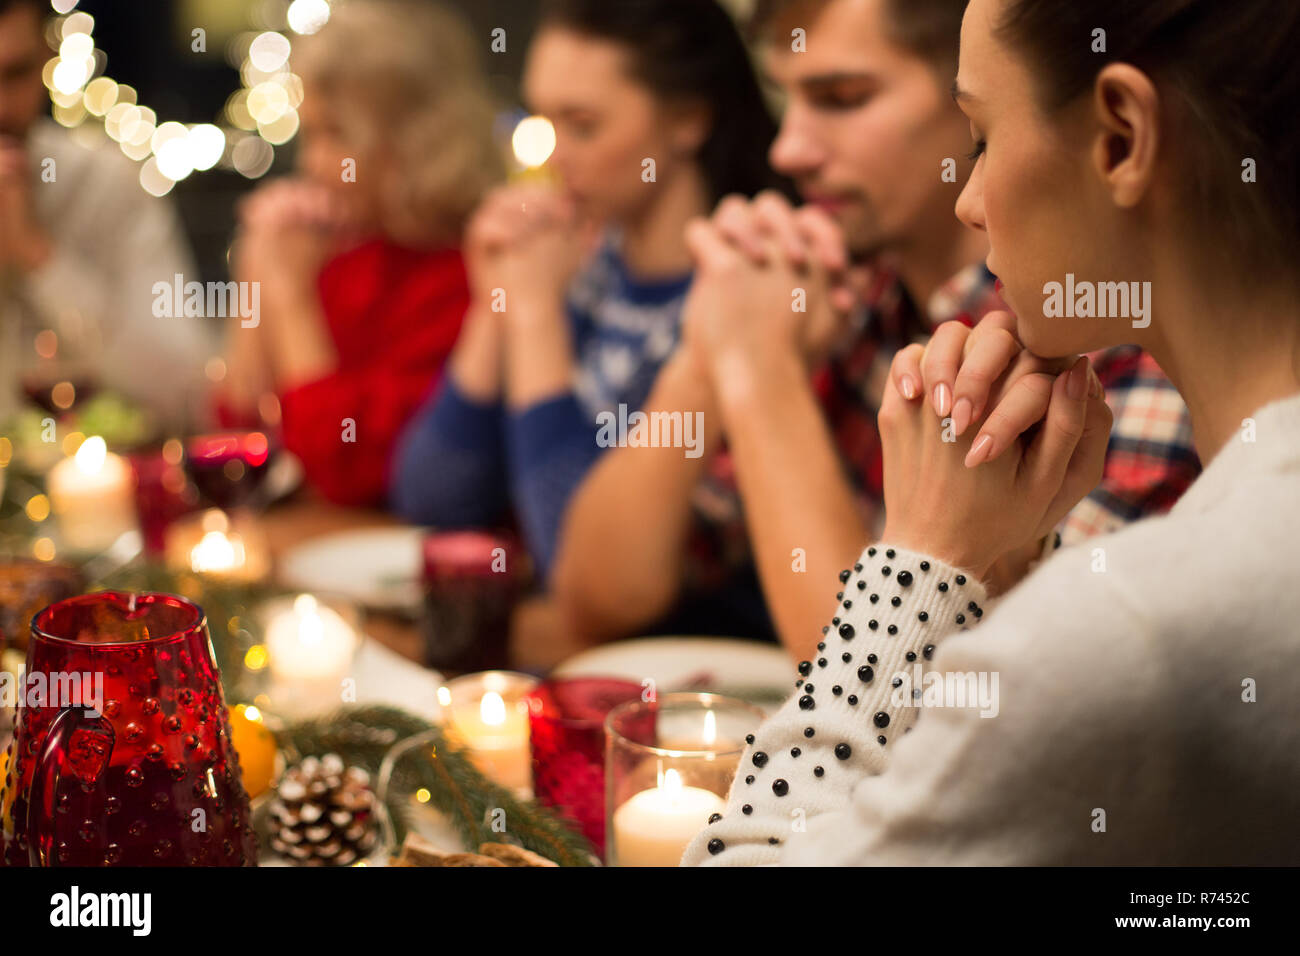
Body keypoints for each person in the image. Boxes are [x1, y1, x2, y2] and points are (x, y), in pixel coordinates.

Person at [684, 0, 1300, 865]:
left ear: (1121, 137)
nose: (970, 201)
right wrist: (1006, 578)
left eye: (980, 136)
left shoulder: (1141, 624)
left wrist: (921, 566)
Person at [552, 0, 1199, 663]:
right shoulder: (851, 296)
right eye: (787, 99)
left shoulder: (1110, 330)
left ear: (974, 99)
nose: (788, 149)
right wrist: (708, 348)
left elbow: (892, 708)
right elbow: (601, 595)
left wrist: (758, 371)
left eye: (842, 99)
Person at [389, 0, 791, 595]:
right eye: (545, 123)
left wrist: (534, 321)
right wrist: (492, 309)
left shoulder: (746, 288)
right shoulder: (581, 268)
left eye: (583, 126)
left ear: (688, 120)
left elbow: (578, 571)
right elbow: (430, 499)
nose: (554, 159)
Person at [219, 0, 501, 506]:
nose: (312, 162)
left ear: (414, 138)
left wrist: (287, 296)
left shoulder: (472, 274)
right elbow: (236, 436)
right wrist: (256, 277)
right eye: (310, 134)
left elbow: (349, 468)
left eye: (336, 134)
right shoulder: (341, 250)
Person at [0, 0, 212, 427]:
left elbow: (190, 392)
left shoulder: (104, 181)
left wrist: (41, 258)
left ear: (47, 57)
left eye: (15, 74)